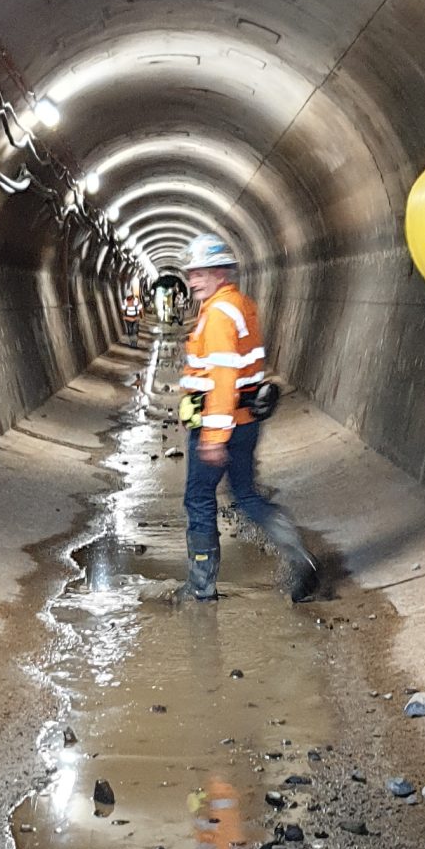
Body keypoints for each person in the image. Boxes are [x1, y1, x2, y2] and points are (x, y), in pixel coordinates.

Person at [174, 234, 317, 603]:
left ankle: (200, 587)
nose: (193, 280)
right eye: (191, 272)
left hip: (220, 422)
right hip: (246, 420)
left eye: (202, 272)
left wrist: (213, 437)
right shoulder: (239, 305)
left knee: (199, 499)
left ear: (222, 272)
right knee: (245, 495)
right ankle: (295, 550)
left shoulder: (220, 315)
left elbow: (223, 376)